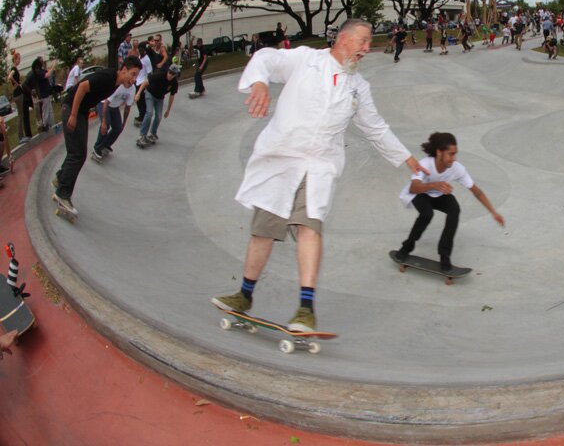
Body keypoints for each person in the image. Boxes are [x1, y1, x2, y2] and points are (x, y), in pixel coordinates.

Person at [211, 19, 427, 331]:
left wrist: (407, 159)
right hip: (280, 160)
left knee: (309, 228)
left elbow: (375, 127)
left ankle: (306, 310)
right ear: (343, 39)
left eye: (368, 43)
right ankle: (244, 295)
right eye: (363, 41)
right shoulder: (306, 61)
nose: (368, 48)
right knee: (263, 230)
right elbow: (265, 58)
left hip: (319, 166)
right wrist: (259, 82)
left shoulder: (358, 87)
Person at [397, 132, 504, 271]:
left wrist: (493, 212)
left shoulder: (457, 168)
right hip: (420, 193)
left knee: (454, 209)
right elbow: (413, 188)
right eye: (451, 154)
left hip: (439, 194)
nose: (453, 158)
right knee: (427, 214)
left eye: (455, 154)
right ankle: (407, 247)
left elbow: (476, 191)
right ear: (439, 152)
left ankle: (444, 255)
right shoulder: (425, 164)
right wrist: (433, 185)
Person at [52, 56, 142, 217]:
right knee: (77, 154)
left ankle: (61, 178)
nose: (134, 80)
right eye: (133, 74)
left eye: (137, 76)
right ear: (123, 70)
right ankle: (62, 194)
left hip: (81, 111)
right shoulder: (107, 77)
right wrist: (72, 115)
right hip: (72, 107)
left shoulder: (115, 84)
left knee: (78, 152)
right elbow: (81, 88)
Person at [135, 64, 180, 147]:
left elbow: (172, 96)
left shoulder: (174, 83)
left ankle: (152, 133)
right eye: (170, 72)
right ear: (168, 71)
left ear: (175, 75)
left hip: (160, 98)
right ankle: (142, 135)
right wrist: (138, 93)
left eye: (173, 74)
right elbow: (146, 81)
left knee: (159, 116)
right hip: (150, 94)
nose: (170, 75)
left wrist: (168, 110)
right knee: (149, 113)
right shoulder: (159, 75)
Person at [90, 81, 135, 162]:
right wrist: (103, 122)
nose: (133, 81)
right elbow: (106, 102)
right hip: (103, 103)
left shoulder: (132, 89)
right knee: (106, 124)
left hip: (114, 107)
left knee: (118, 128)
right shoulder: (119, 86)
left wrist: (124, 123)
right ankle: (97, 148)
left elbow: (127, 107)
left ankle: (105, 144)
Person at [7, 50, 33, 144]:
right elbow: (10, 77)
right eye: (19, 59)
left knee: (21, 115)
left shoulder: (12, 68)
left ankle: (21, 136)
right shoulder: (13, 68)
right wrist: (16, 83)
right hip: (18, 94)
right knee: (20, 116)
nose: (20, 61)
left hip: (17, 93)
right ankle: (21, 137)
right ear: (16, 59)